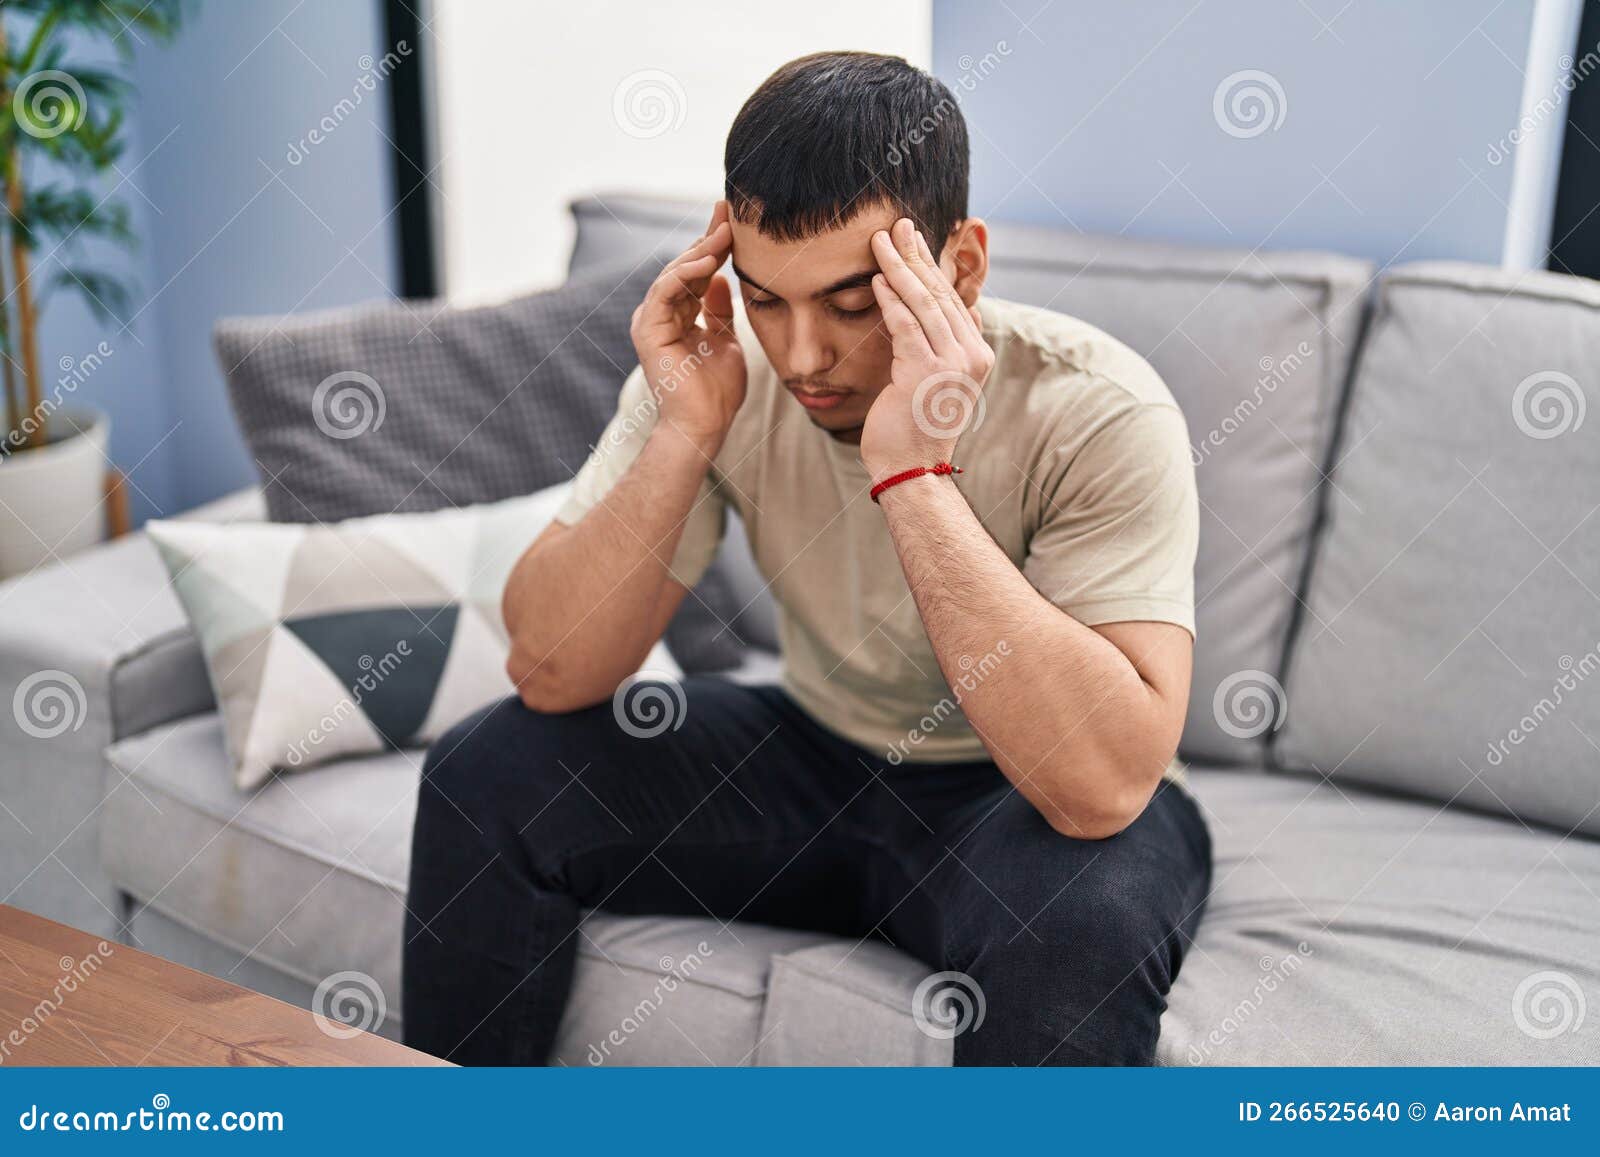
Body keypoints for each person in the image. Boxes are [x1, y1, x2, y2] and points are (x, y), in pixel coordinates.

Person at [403, 50, 1209, 1066]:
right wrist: (685, 427)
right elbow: (551, 668)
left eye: (850, 304)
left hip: (1020, 801)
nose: (800, 357)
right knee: (488, 771)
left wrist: (913, 473)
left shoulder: (1094, 408)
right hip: (816, 751)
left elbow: (1098, 783)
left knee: (1076, 929)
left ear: (957, 268)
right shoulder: (720, 374)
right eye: (764, 298)